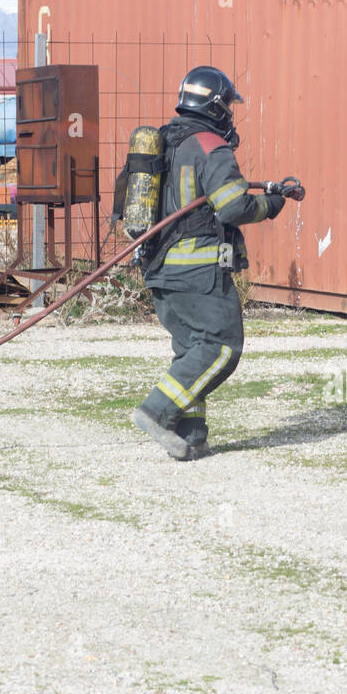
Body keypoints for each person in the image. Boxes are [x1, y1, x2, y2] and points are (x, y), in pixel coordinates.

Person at [128, 66, 305, 460]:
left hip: (161, 273)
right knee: (222, 347)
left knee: (191, 350)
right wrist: (273, 204)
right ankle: (156, 411)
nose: (230, 113)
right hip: (200, 274)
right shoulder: (210, 146)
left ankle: (191, 435)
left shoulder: (166, 142)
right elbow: (232, 207)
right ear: (216, 105)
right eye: (228, 105)